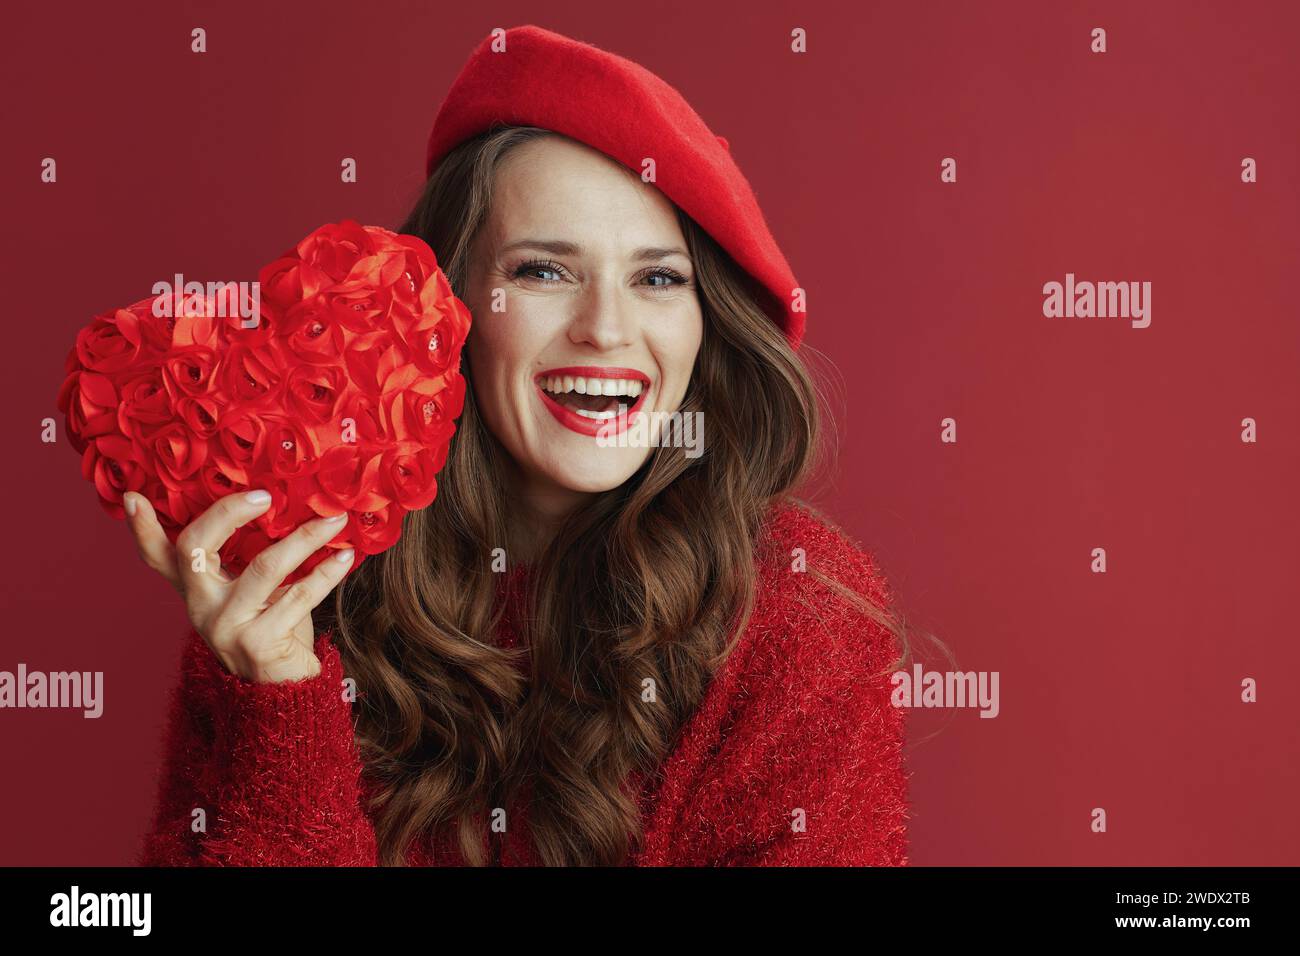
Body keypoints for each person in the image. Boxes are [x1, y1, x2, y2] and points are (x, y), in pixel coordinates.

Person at [129, 24, 911, 867]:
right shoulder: (295, 591)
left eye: (658, 278)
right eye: (542, 271)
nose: (606, 330)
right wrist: (279, 698)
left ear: (705, 322)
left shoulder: (799, 610)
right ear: (445, 307)